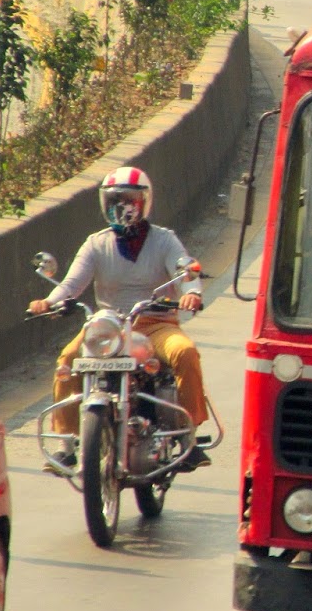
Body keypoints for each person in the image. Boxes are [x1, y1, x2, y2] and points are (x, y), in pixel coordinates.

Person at [27, 167, 210, 471]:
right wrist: (48, 302)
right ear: (104, 203)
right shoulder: (96, 243)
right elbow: (72, 285)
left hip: (155, 324)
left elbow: (184, 269)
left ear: (144, 202)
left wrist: (191, 292)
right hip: (108, 327)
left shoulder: (165, 240)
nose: (122, 207)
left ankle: (188, 437)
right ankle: (68, 444)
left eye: (130, 200)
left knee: (185, 353)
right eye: (115, 200)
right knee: (67, 360)